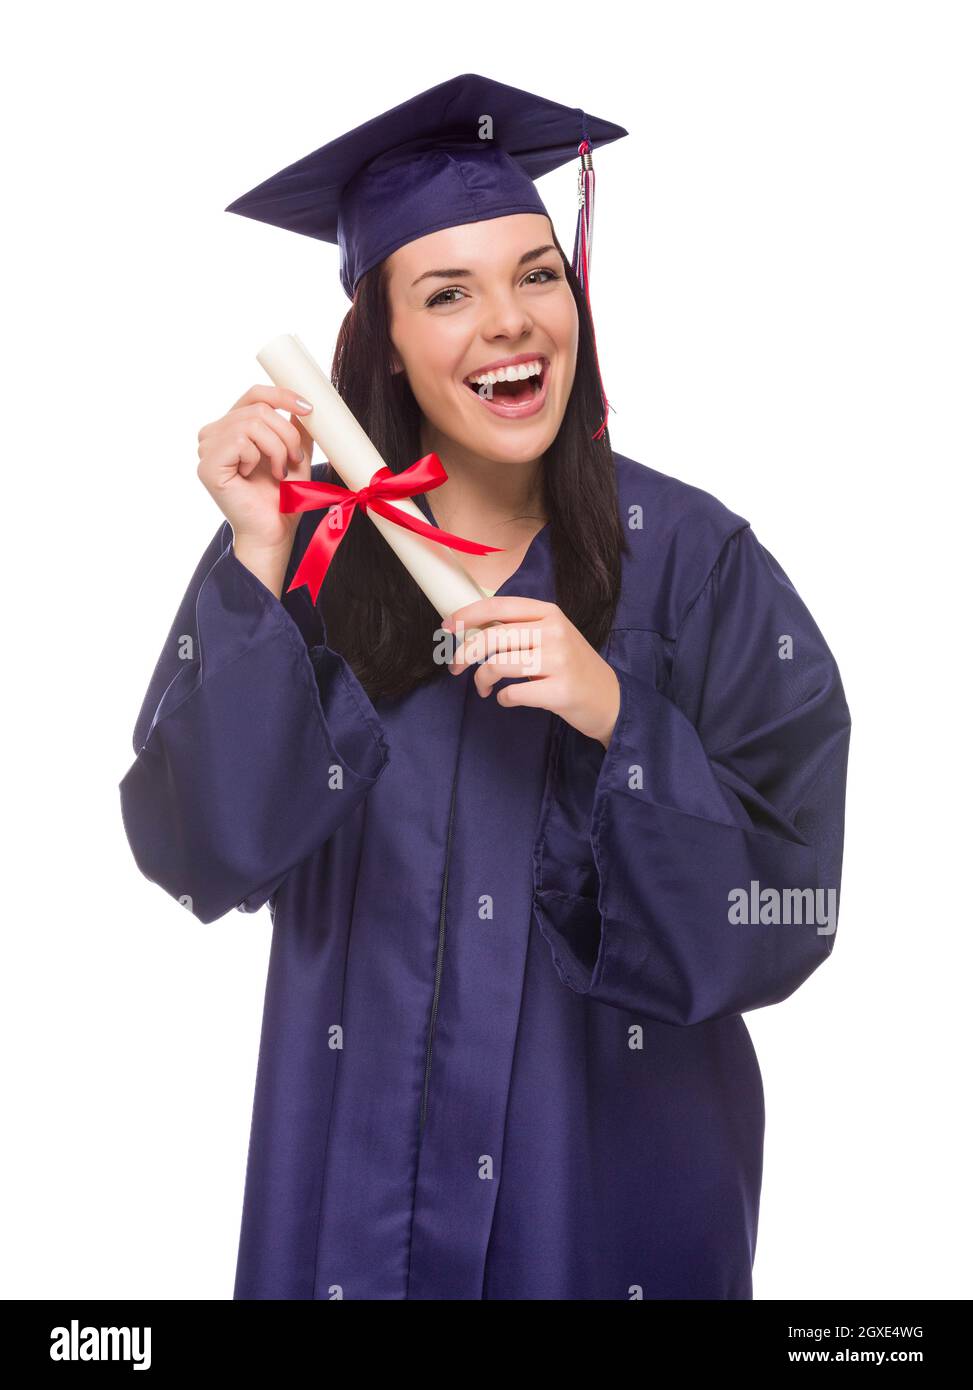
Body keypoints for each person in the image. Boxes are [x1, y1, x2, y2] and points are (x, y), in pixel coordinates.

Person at [118, 73, 852, 1300]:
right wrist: (252, 553)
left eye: (536, 275)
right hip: (351, 1216)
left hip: (602, 1219)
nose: (509, 321)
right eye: (447, 293)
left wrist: (615, 716)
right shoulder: (305, 548)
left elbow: (788, 909)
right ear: (384, 343)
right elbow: (198, 850)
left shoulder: (695, 562)